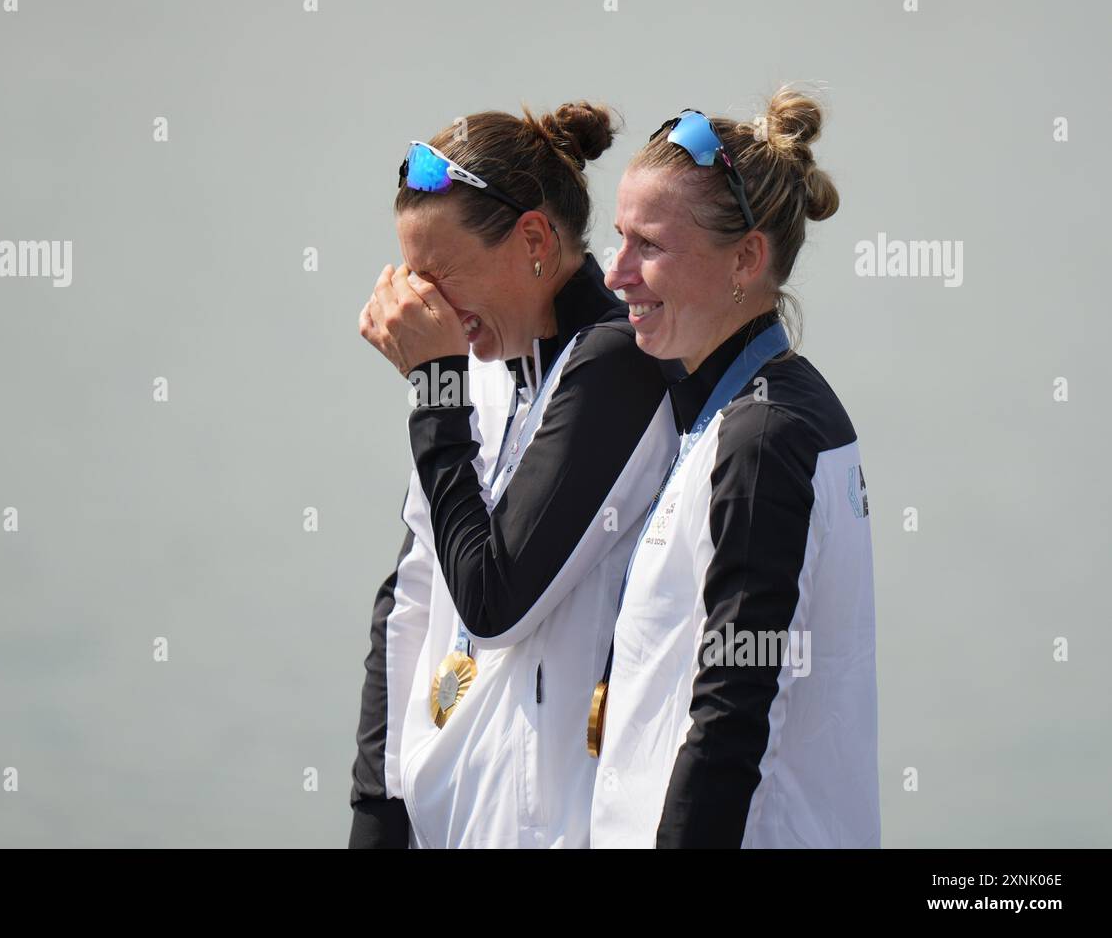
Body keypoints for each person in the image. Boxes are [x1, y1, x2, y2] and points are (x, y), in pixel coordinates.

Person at [349, 102, 680, 848]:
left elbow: (493, 598)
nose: (426, 306)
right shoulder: (483, 365)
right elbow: (413, 593)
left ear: (532, 238)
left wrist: (434, 386)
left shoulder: (617, 363)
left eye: (439, 276)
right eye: (412, 277)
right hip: (452, 826)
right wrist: (378, 812)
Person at [592, 88, 879, 848]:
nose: (617, 273)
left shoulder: (760, 438)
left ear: (746, 260)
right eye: (617, 238)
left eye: (647, 246)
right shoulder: (769, 409)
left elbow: (733, 717)